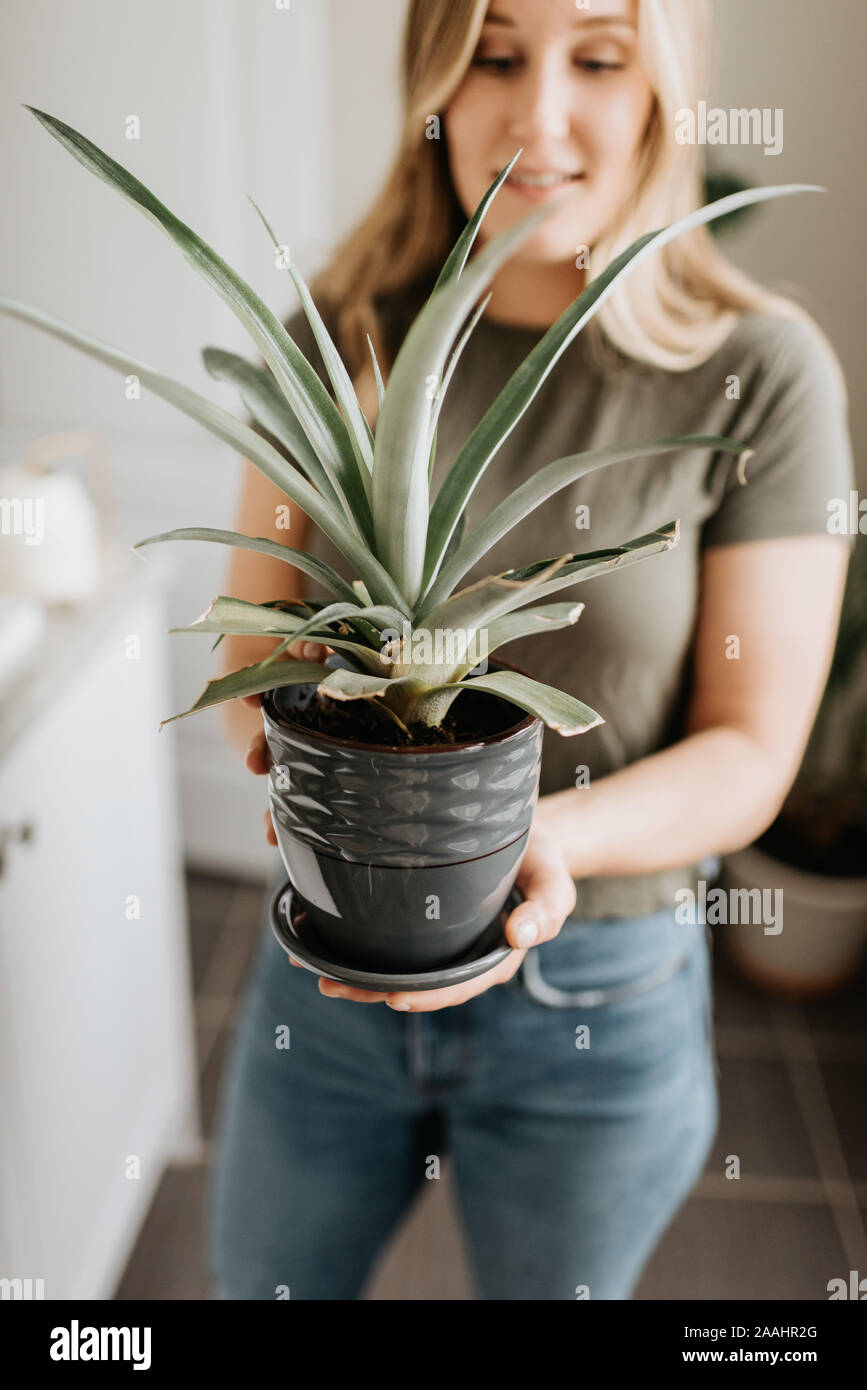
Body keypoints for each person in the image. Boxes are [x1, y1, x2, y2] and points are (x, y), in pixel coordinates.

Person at [206, 0, 854, 1300]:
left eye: (598, 59)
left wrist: (534, 840)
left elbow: (751, 748)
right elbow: (245, 656)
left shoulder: (763, 370)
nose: (536, 112)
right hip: (329, 961)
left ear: (663, 93)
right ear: (433, 81)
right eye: (494, 54)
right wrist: (308, 763)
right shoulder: (337, 325)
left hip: (597, 992)